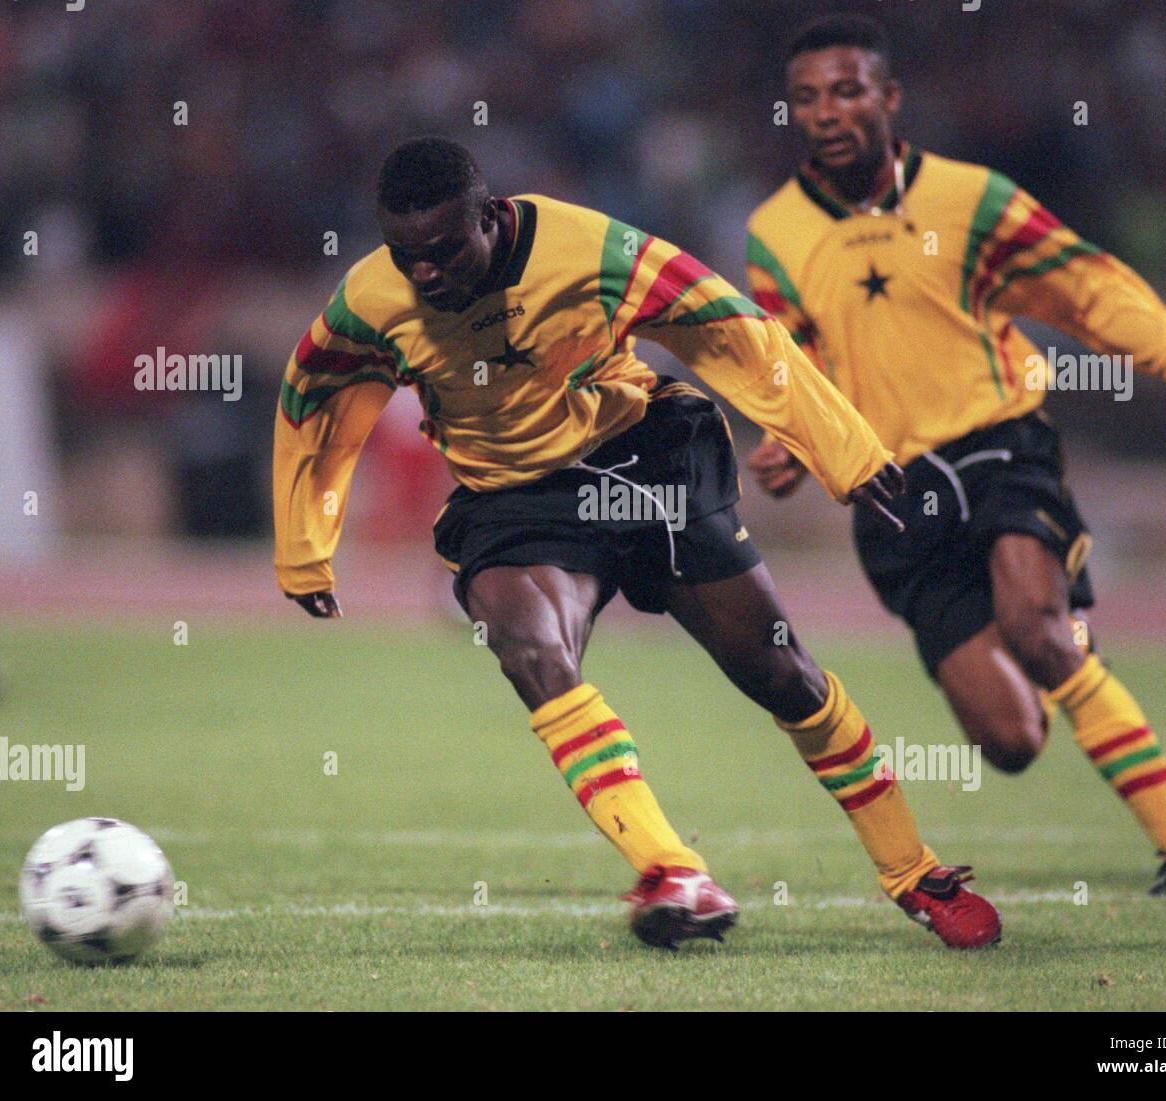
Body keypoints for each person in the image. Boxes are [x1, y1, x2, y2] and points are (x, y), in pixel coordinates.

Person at [274, 137, 1001, 949]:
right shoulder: (372, 298)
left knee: (780, 671)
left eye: (445, 250)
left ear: (490, 214)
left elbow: (728, 325)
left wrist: (840, 446)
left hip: (638, 457)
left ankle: (913, 870)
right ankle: (671, 868)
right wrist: (306, 541)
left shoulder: (594, 251)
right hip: (512, 501)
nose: (427, 274)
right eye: (408, 256)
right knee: (532, 650)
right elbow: (314, 395)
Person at [745, 14, 1166, 895]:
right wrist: (791, 442)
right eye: (806, 97)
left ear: (888, 97)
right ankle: (1058, 636)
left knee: (1036, 629)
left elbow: (1091, 290)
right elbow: (792, 367)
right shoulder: (775, 233)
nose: (827, 112)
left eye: (846, 90)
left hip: (1000, 447)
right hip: (892, 495)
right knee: (1011, 741)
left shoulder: (972, 199)